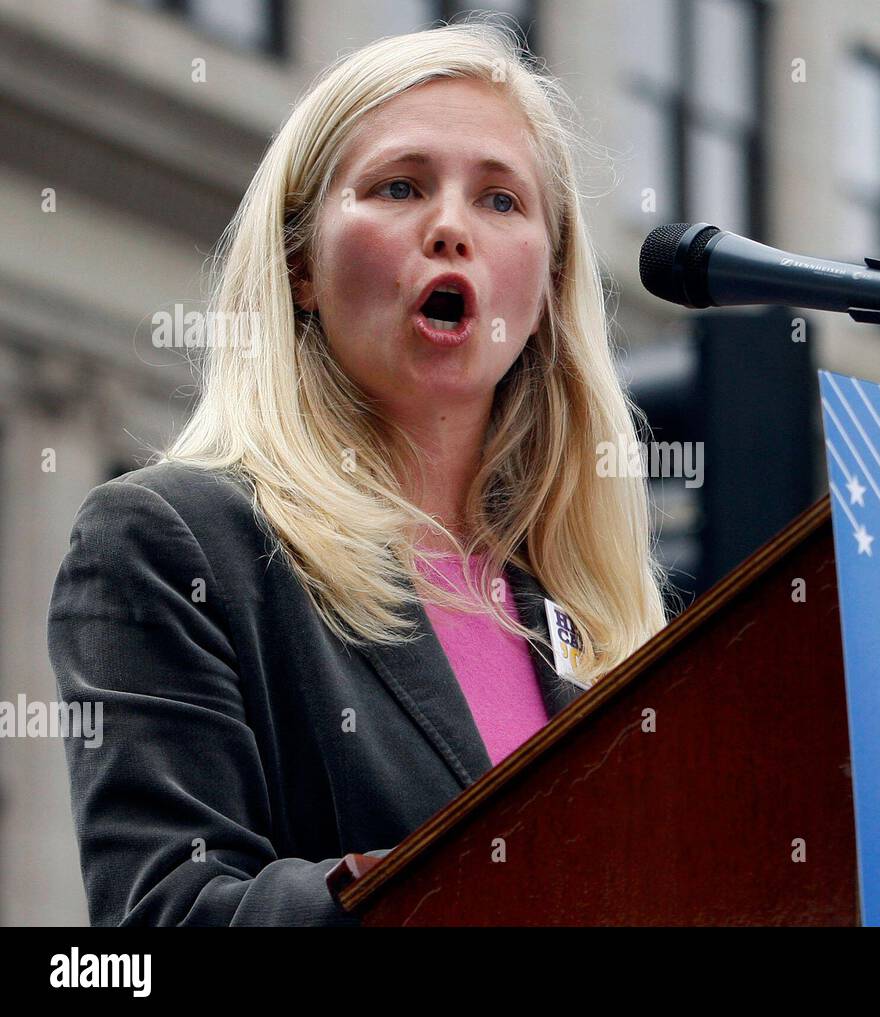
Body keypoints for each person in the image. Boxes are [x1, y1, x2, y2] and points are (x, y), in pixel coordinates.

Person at [47, 18, 670, 927]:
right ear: (300, 263)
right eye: (401, 186)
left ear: (545, 289)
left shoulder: (608, 619)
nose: (451, 226)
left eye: (501, 201)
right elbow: (156, 925)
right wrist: (439, 884)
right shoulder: (171, 541)